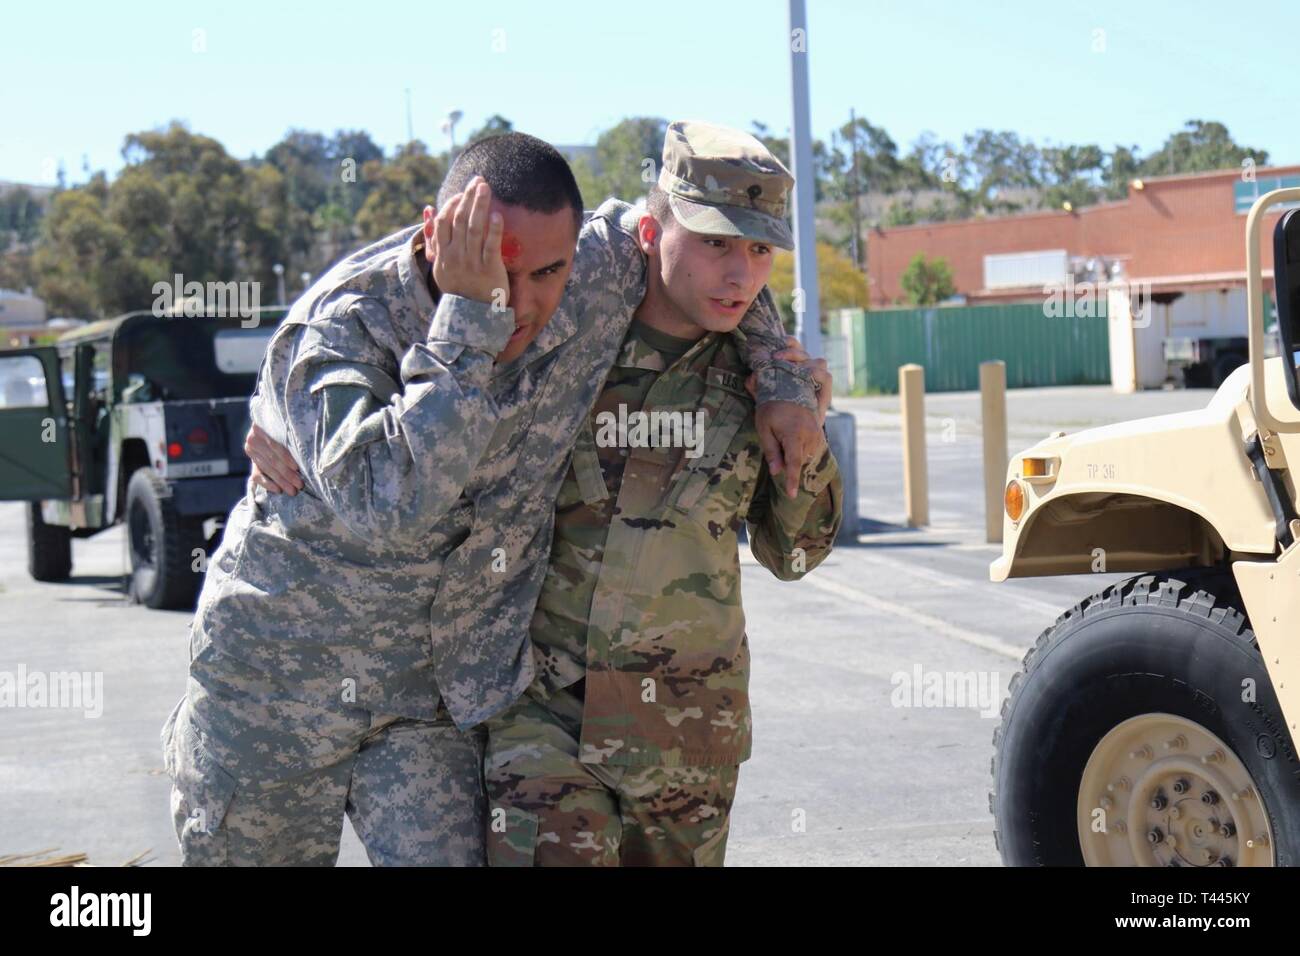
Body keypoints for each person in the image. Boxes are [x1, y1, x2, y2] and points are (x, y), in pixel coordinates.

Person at [164, 131, 820, 865]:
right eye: (500, 272)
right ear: (439, 237)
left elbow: (719, 252)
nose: (524, 303)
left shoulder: (595, 268)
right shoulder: (351, 325)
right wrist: (465, 326)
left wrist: (784, 378)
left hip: (432, 702)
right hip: (280, 682)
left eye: (548, 272)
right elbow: (389, 505)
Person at [481, 120, 843, 866]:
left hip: (685, 743)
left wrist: (805, 449)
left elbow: (796, 555)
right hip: (545, 719)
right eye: (715, 243)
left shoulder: (766, 384)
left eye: (758, 251)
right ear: (651, 230)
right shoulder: (562, 342)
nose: (739, 274)